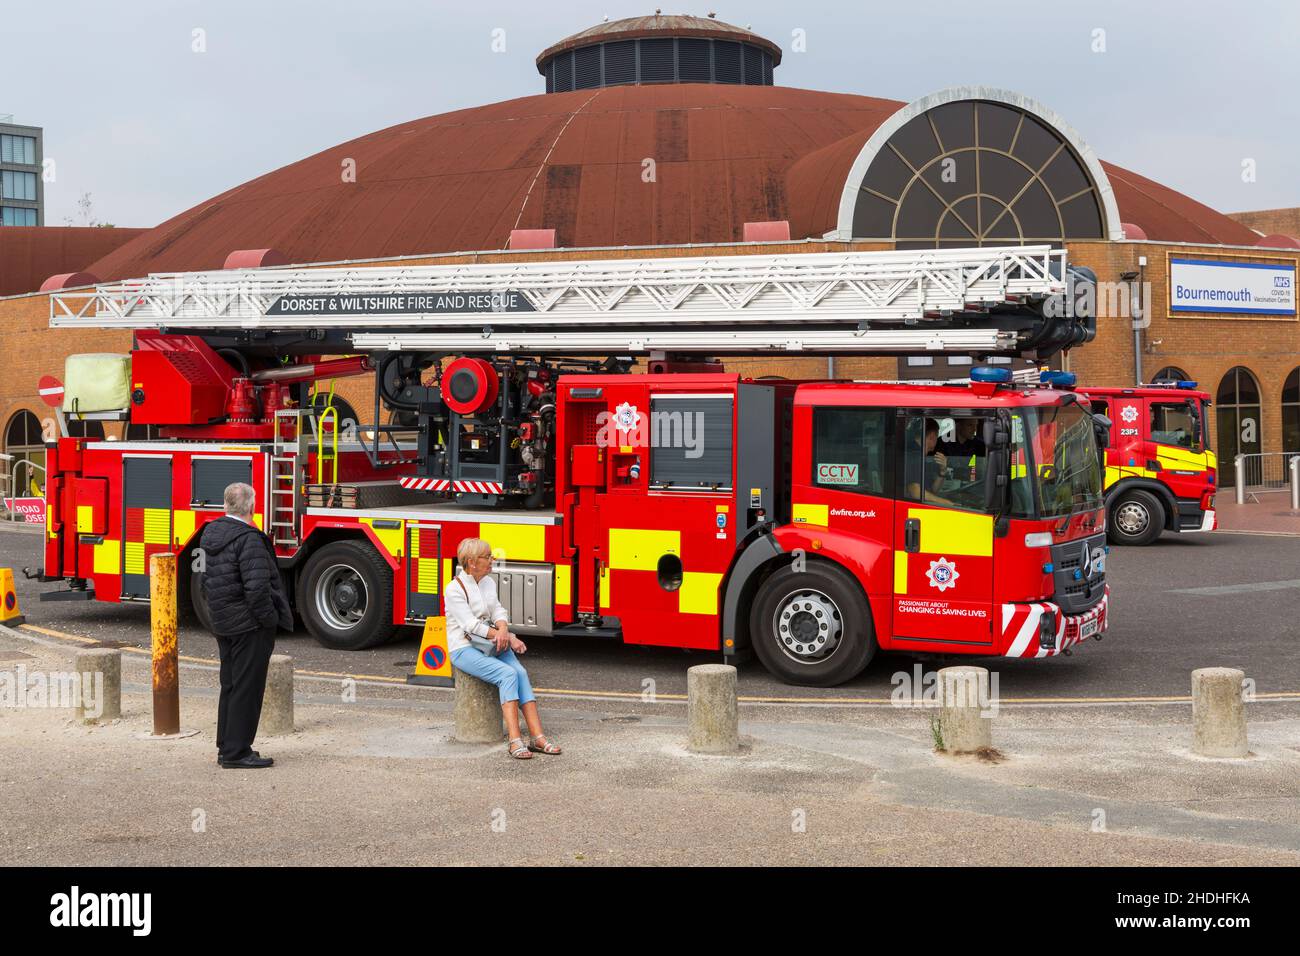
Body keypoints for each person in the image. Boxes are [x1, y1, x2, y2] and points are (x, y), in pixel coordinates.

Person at [199, 482, 294, 769]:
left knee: (230, 685)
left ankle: (226, 746)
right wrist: (269, 620)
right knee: (247, 689)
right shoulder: (250, 539)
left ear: (225, 505)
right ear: (252, 507)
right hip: (249, 625)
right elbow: (257, 589)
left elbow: (203, 579)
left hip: (222, 620)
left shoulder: (209, 533)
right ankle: (238, 752)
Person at [444, 537, 560, 760]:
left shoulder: (488, 582)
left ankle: (537, 737)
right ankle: (515, 741)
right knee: (507, 674)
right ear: (472, 562)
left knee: (521, 673)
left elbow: (497, 610)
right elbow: (469, 625)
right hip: (464, 648)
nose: (492, 559)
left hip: (491, 642)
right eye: (487, 556)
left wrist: (505, 630)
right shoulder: (454, 589)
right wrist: (502, 636)